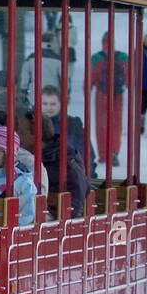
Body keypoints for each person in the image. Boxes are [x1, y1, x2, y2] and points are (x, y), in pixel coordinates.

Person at [39, 85, 90, 218]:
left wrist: (83, 174)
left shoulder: (72, 124)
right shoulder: (33, 124)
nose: (48, 107)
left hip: (68, 179)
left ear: (61, 104)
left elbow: (85, 152)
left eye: (53, 104)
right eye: (44, 103)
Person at [91, 33, 128, 171]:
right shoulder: (123, 57)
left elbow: (91, 77)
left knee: (101, 125)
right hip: (117, 95)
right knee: (116, 124)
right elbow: (128, 76)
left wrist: (87, 91)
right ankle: (114, 151)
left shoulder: (96, 58)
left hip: (102, 95)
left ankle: (103, 154)